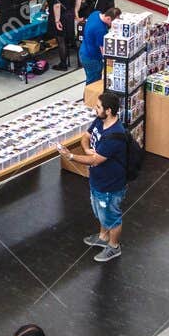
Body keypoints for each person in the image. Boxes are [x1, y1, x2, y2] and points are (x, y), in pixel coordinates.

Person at [59, 89, 128, 263]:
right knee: (101, 212)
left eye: (98, 107)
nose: (94, 110)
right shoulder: (100, 120)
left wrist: (71, 156)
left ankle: (114, 246)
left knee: (111, 216)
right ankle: (103, 237)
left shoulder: (114, 136)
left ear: (109, 111)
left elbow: (95, 161)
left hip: (110, 185)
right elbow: (86, 136)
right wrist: (87, 148)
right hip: (97, 180)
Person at [44, 0, 81, 71]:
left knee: (61, 40)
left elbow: (57, 5)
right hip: (70, 15)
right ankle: (75, 61)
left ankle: (63, 64)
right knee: (70, 38)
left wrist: (57, 20)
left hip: (62, 17)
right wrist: (75, 10)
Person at [78, 3, 117, 92]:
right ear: (108, 18)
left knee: (90, 80)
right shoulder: (101, 30)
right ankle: (88, 102)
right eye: (113, 23)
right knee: (93, 84)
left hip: (83, 51)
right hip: (92, 59)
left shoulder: (95, 13)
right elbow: (103, 51)